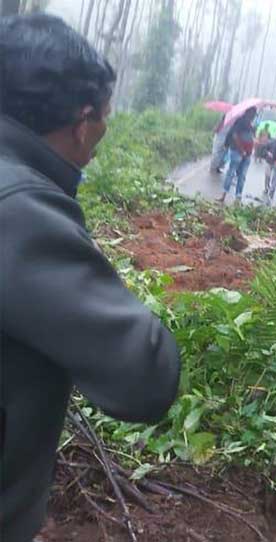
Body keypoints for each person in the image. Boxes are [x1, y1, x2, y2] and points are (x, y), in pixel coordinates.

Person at [0, 14, 181, 542]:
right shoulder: (21, 211)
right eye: (105, 114)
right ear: (83, 121)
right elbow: (146, 374)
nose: (104, 128)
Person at [219, 106, 257, 205]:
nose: (254, 116)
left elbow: (252, 139)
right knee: (231, 173)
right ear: (248, 113)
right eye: (253, 114)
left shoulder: (250, 124)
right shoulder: (241, 122)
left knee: (242, 176)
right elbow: (234, 135)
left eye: (254, 114)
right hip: (237, 151)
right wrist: (241, 150)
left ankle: (238, 197)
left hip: (247, 153)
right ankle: (224, 195)